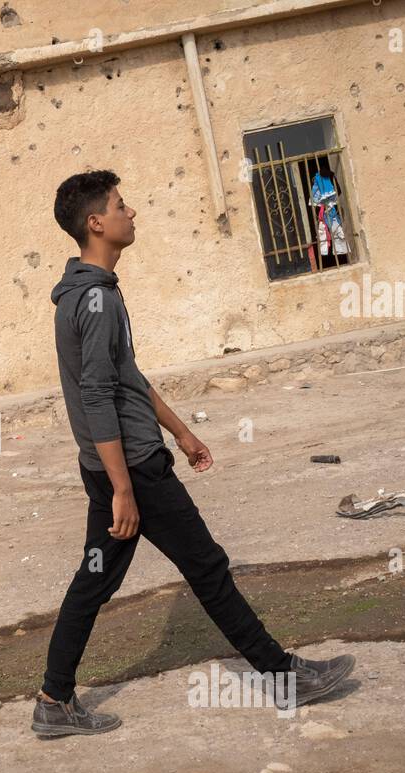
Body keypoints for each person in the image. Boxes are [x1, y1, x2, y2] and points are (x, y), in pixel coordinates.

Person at [32, 169, 355, 738]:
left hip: (116, 466)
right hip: (130, 468)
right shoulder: (95, 301)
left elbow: (127, 376)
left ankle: (53, 700)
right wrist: (126, 489)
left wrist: (181, 432)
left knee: (95, 578)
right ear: (96, 223)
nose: (133, 214)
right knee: (206, 567)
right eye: (121, 205)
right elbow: (96, 395)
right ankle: (284, 676)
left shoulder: (90, 294)